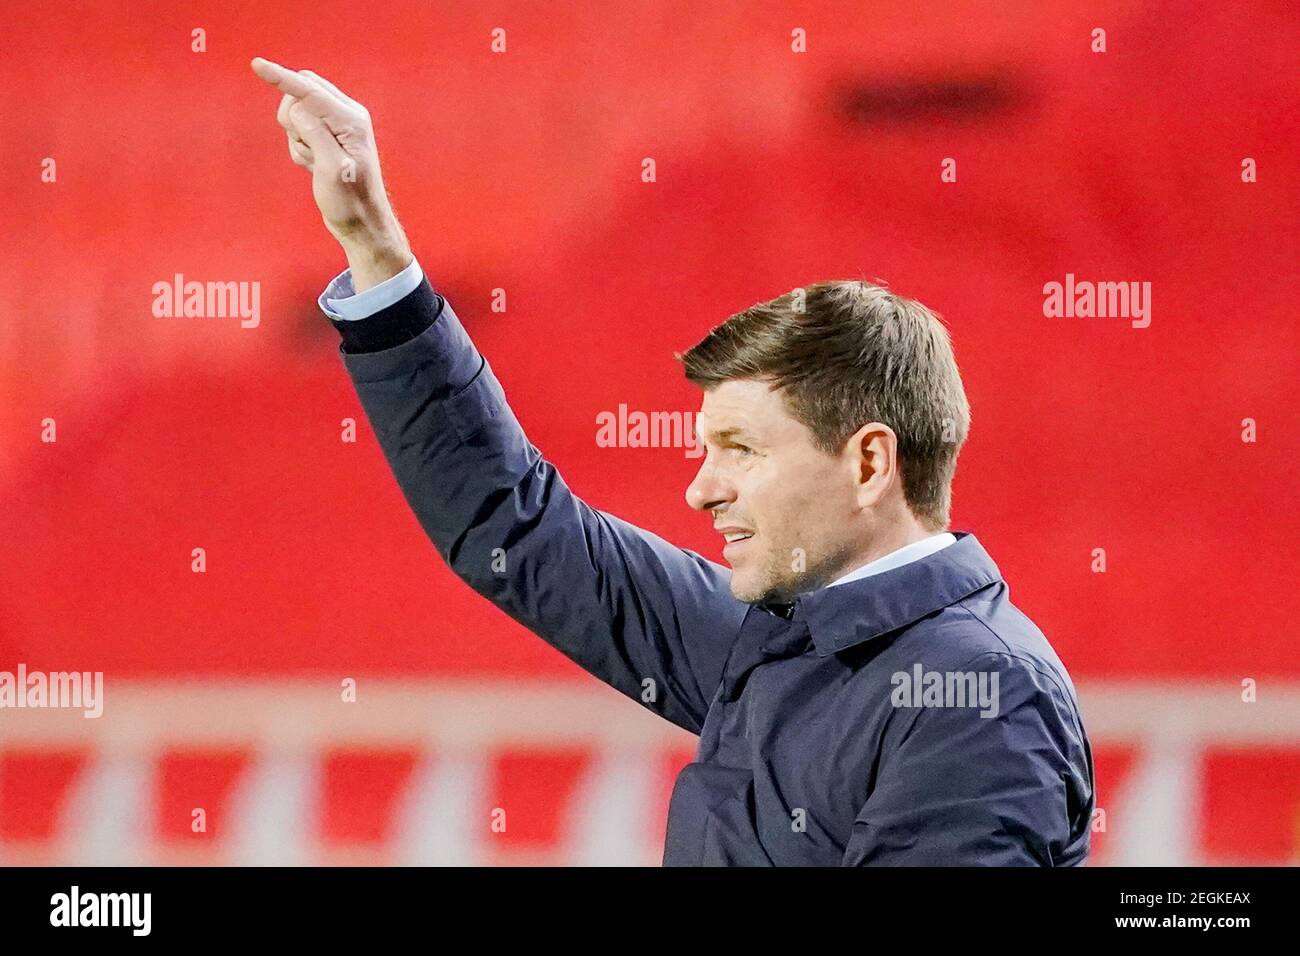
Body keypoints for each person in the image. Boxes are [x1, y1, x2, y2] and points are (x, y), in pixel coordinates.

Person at [251, 57, 1095, 866]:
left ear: (869, 462)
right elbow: (514, 526)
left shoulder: (979, 699)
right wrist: (374, 247)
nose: (700, 489)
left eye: (741, 450)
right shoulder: (780, 637)